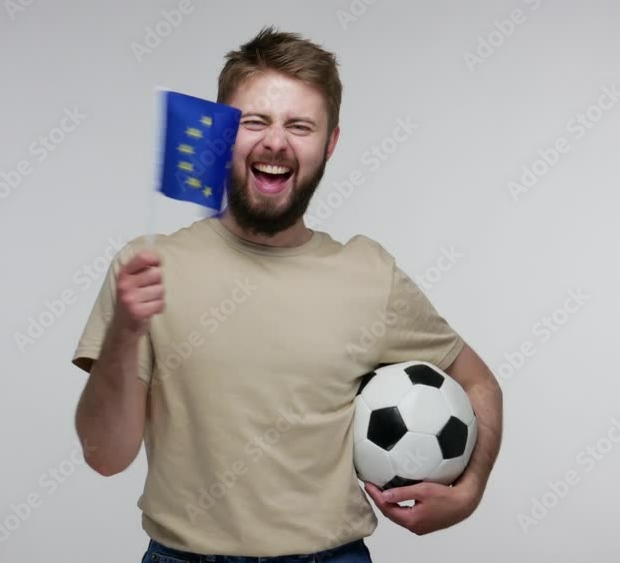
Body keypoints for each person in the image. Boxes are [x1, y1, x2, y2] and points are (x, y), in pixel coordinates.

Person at [71, 26, 503, 562]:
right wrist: (123, 334)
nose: (275, 142)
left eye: (299, 126)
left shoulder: (369, 274)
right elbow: (105, 456)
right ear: (222, 131)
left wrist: (469, 491)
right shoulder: (149, 269)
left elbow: (479, 383)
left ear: (330, 144)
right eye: (255, 121)